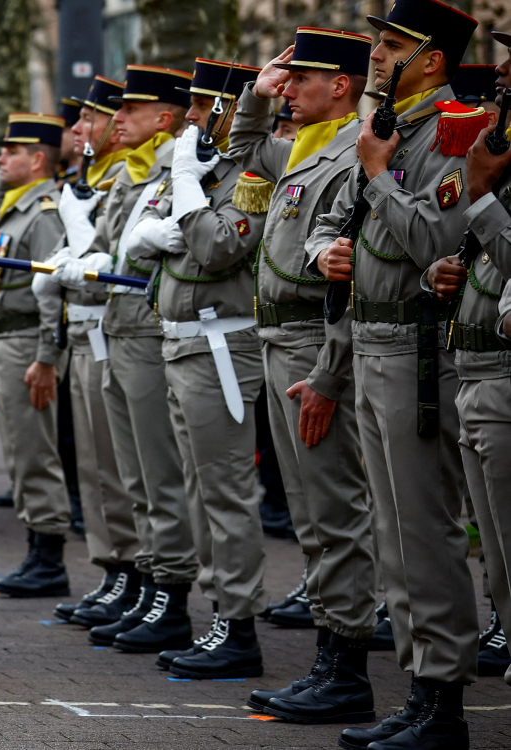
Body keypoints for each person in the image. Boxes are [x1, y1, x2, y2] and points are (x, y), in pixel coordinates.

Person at [309, 2, 481, 746]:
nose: (377, 56)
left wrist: (378, 177)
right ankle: (417, 689)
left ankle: (443, 699)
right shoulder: (392, 131)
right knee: (393, 532)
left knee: (425, 531)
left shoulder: (455, 133)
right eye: (380, 45)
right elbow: (338, 222)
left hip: (417, 351)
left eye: (392, 46)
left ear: (433, 58)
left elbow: (435, 237)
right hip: (371, 341)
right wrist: (326, 251)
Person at [227, 27, 380, 722]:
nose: (287, 89)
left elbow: (357, 285)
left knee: (333, 511)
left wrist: (327, 372)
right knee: (310, 513)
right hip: (280, 339)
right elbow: (239, 154)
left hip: (315, 344)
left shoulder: (355, 154)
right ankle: (330, 659)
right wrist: (254, 99)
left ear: (340, 86)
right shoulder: (304, 148)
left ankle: (345, 666)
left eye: (299, 79)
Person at [124, 59, 270, 673]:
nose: (189, 116)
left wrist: (187, 191)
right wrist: (169, 215)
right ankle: (219, 618)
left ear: (231, 111)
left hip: (219, 346)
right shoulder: (204, 168)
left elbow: (214, 247)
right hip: (180, 341)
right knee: (197, 489)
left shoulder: (251, 170)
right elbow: (133, 249)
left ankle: (237, 627)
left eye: (203, 104)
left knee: (227, 493)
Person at [50, 67, 199, 652]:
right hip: (119, 326)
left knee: (158, 475)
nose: (116, 120)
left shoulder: (173, 171)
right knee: (132, 474)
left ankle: (169, 592)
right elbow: (112, 252)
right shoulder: (131, 174)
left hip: (146, 330)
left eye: (129, 111)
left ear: (164, 118)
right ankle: (145, 582)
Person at [41, 74, 142, 624]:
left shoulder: (128, 176)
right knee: (95, 465)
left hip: (114, 328)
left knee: (119, 464)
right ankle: (113, 567)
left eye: (91, 119)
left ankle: (137, 570)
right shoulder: (95, 175)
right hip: (84, 329)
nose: (81, 129)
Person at [429, 16, 511, 696]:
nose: (502, 74)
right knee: (499, 559)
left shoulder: (492, 169)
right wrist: (448, 274)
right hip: (475, 368)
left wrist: (481, 194)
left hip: (502, 376)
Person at [0, 113, 71, 598]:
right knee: (18, 452)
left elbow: (54, 290)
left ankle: (48, 557)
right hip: (4, 340)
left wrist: (46, 357)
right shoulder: (18, 207)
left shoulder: (45, 213)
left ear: (37, 159)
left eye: (10, 152)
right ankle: (36, 548)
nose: (0, 159)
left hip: (26, 342)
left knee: (35, 451)